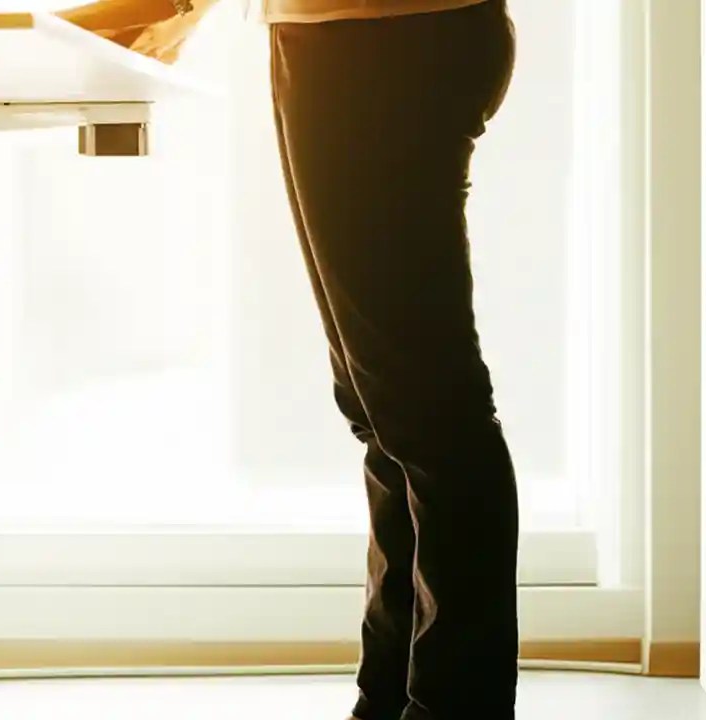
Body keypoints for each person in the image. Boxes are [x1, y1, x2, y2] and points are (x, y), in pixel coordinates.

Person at [58, 1, 520, 719]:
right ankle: (392, 700)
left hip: (384, 36)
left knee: (428, 418)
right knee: (384, 412)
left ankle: (449, 708)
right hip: (347, 35)